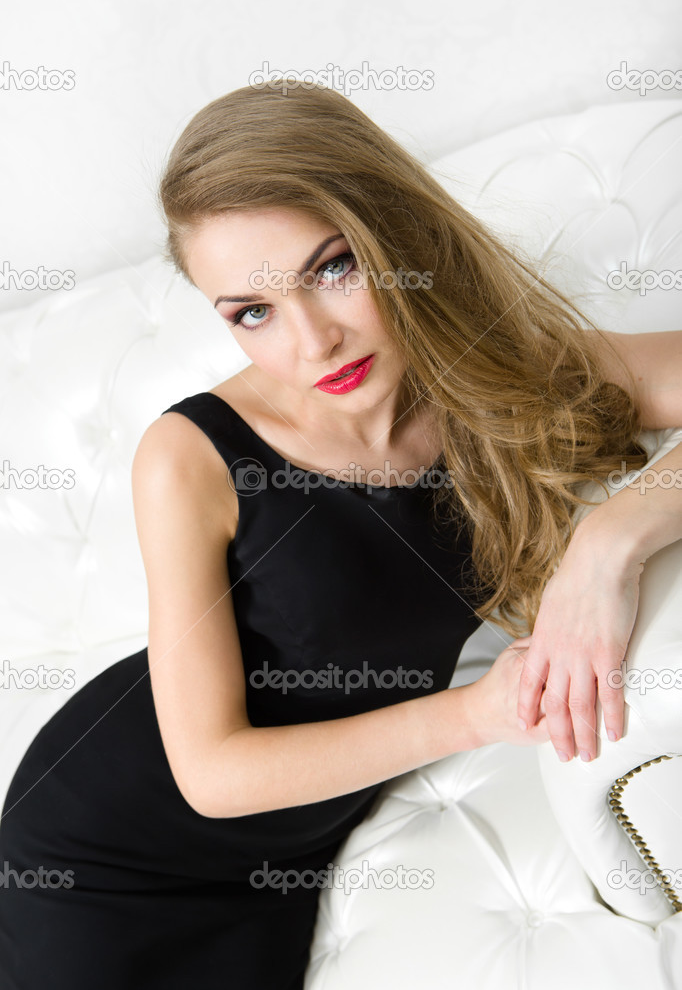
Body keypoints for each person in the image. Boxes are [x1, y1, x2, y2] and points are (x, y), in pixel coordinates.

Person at [0, 80, 658, 989]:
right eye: (253, 313)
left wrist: (607, 546)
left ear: (396, 233)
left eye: (334, 267)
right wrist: (477, 713)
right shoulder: (189, 456)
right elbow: (213, 774)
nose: (312, 342)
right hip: (107, 848)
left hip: (287, 853)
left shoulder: (497, 378)